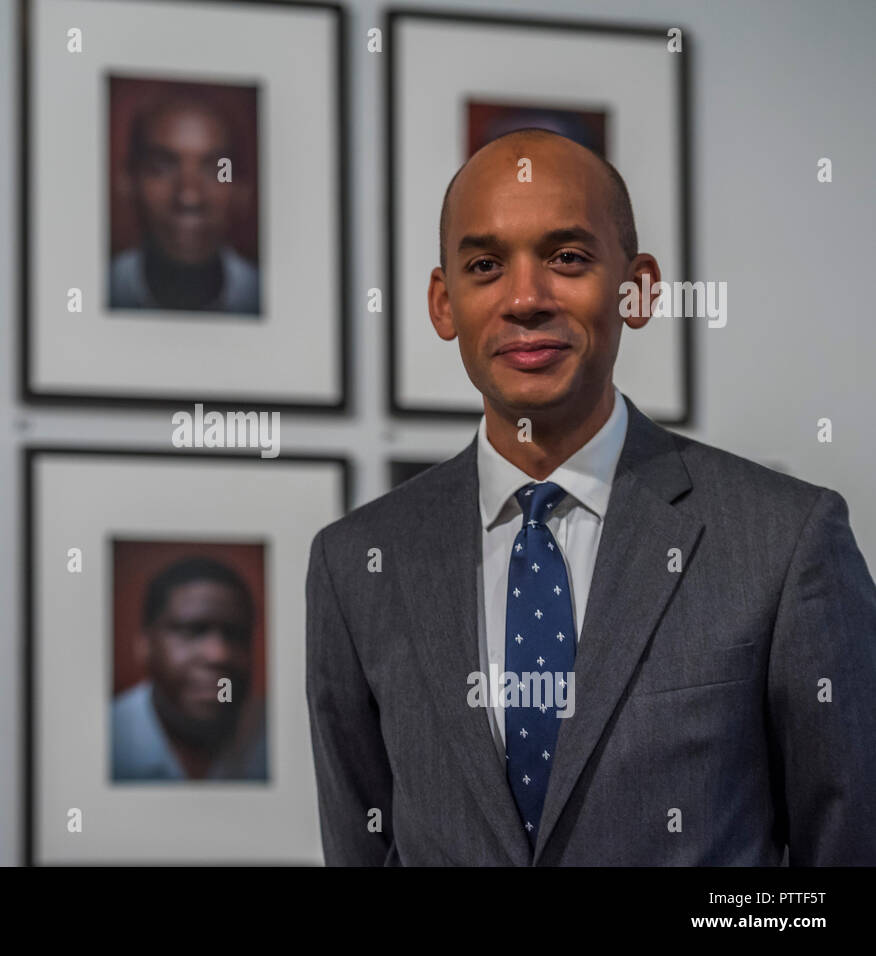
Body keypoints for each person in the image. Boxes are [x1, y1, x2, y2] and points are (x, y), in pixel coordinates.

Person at [306, 128, 876, 865]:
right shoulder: (358, 564)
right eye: (485, 266)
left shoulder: (786, 542)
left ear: (636, 287)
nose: (524, 298)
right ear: (444, 303)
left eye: (567, 258)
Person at [112, 556, 267, 781]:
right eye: (192, 631)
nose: (219, 655)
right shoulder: (107, 738)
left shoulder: (283, 738)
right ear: (145, 644)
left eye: (236, 634)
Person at [109, 92, 260, 315]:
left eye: (218, 170)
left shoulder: (268, 297)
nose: (189, 196)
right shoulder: (98, 290)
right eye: (160, 168)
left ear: (242, 191)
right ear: (127, 184)